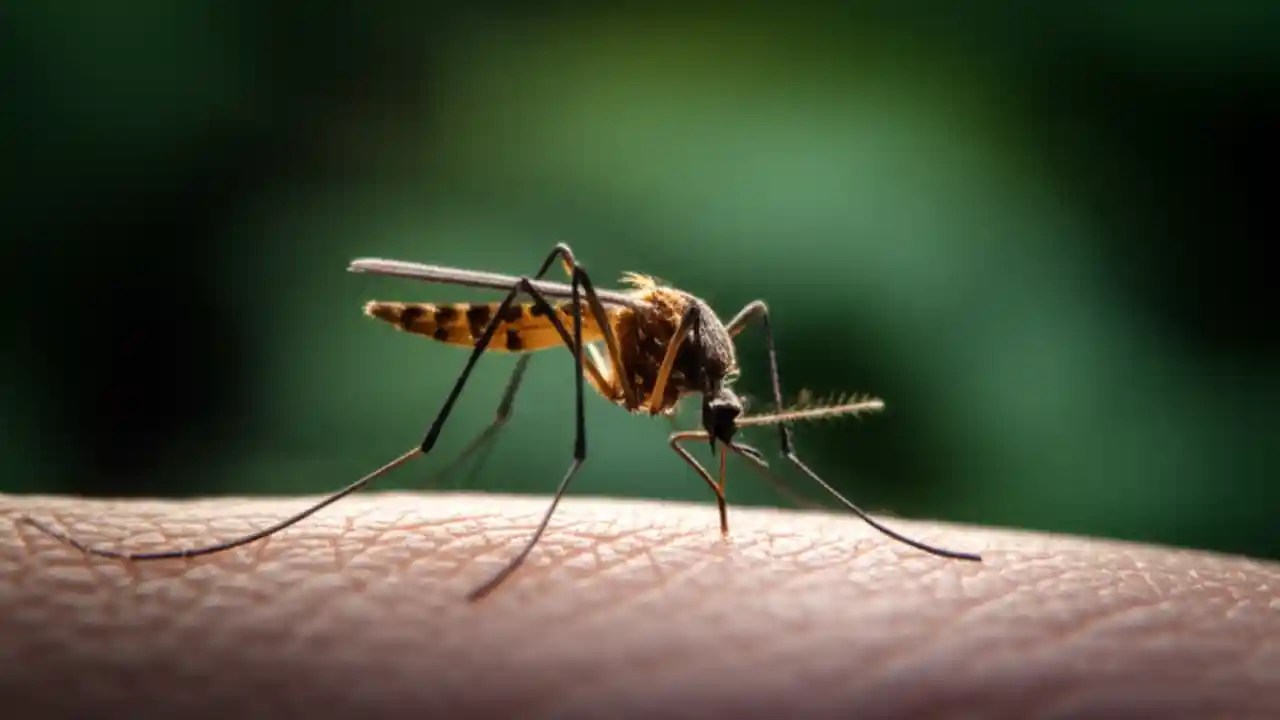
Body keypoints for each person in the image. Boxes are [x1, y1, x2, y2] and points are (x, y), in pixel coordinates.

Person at [2, 492, 1276, 718]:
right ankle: (482, 432)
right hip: (554, 317)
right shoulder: (662, 362)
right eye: (723, 423)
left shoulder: (712, 370)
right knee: (560, 287)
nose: (714, 437)